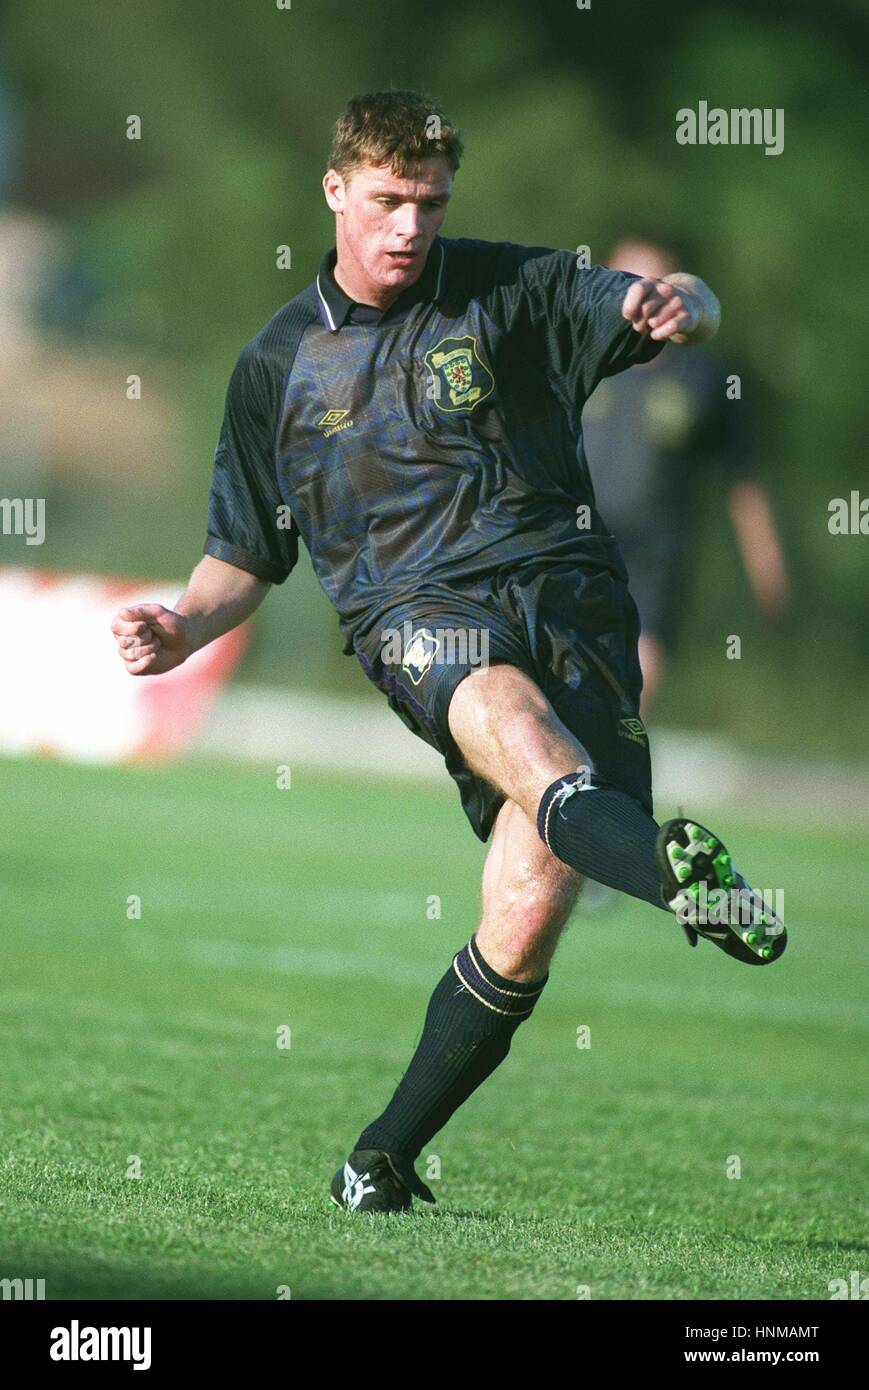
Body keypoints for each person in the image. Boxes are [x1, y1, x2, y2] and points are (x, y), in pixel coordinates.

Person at [110, 91, 786, 1215]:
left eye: (427, 203)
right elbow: (245, 552)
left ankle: (378, 1157)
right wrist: (182, 622)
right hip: (415, 616)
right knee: (518, 735)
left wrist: (685, 305)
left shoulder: (511, 290)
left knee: (526, 911)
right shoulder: (277, 365)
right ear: (334, 192)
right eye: (386, 201)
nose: (408, 227)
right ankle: (685, 889)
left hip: (574, 603)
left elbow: (680, 309)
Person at [584, 238, 791, 714]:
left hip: (658, 553)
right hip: (576, 540)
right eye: (626, 282)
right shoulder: (579, 359)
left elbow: (743, 480)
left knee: (628, 694)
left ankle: (608, 765)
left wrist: (767, 564)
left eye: (653, 285)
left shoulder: (705, 379)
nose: (639, 297)